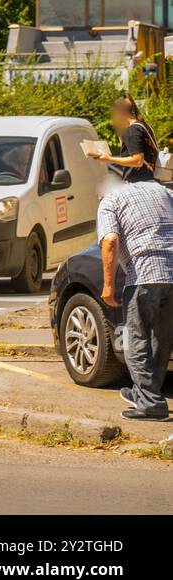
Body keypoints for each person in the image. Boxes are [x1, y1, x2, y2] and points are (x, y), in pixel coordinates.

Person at [97, 179, 173, 421]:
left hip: (144, 274)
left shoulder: (109, 201)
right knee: (162, 338)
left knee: (133, 340)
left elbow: (110, 240)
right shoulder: (163, 191)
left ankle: (151, 403)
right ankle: (147, 394)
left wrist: (108, 285)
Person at [86, 92, 159, 183]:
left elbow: (137, 161)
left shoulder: (132, 130)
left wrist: (109, 159)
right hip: (151, 181)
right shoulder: (144, 127)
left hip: (139, 184)